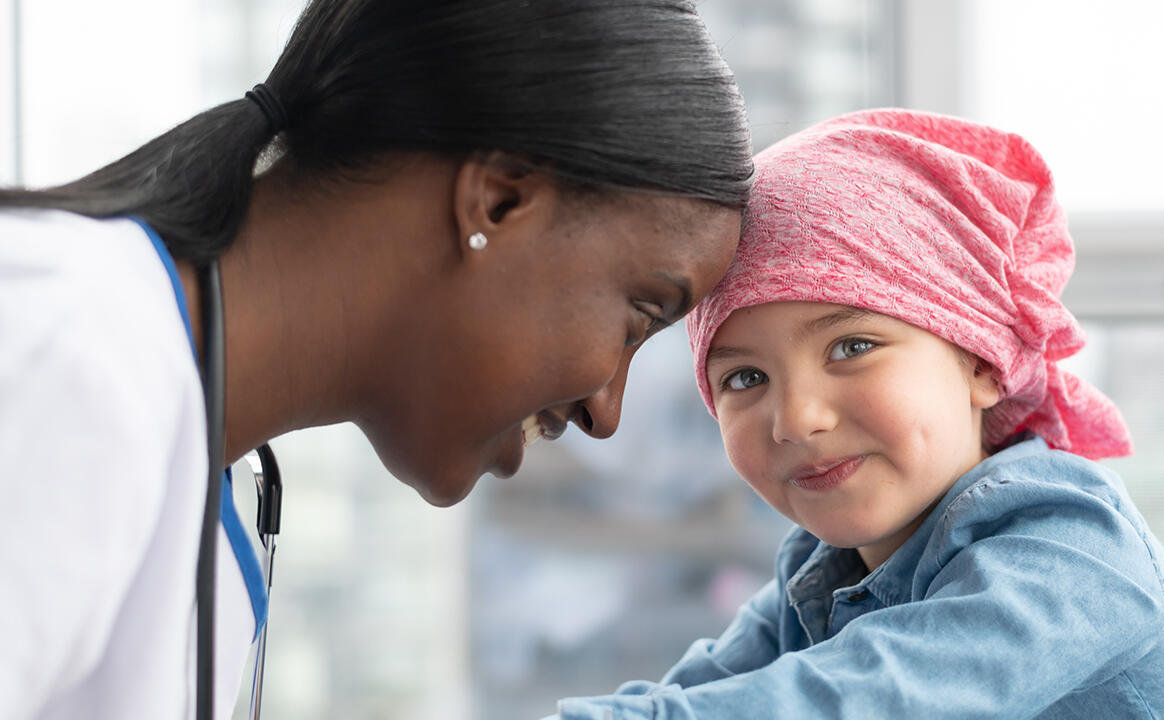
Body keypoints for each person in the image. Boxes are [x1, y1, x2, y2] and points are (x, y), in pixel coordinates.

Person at [0, 1, 753, 717]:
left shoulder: (171, 439)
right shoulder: (72, 356)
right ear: (497, 201)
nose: (605, 413)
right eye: (638, 315)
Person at [551, 109, 1164, 719]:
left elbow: (864, 699)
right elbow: (703, 692)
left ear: (981, 360)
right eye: (745, 378)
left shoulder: (1073, 552)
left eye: (852, 347)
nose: (797, 418)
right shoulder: (822, 573)